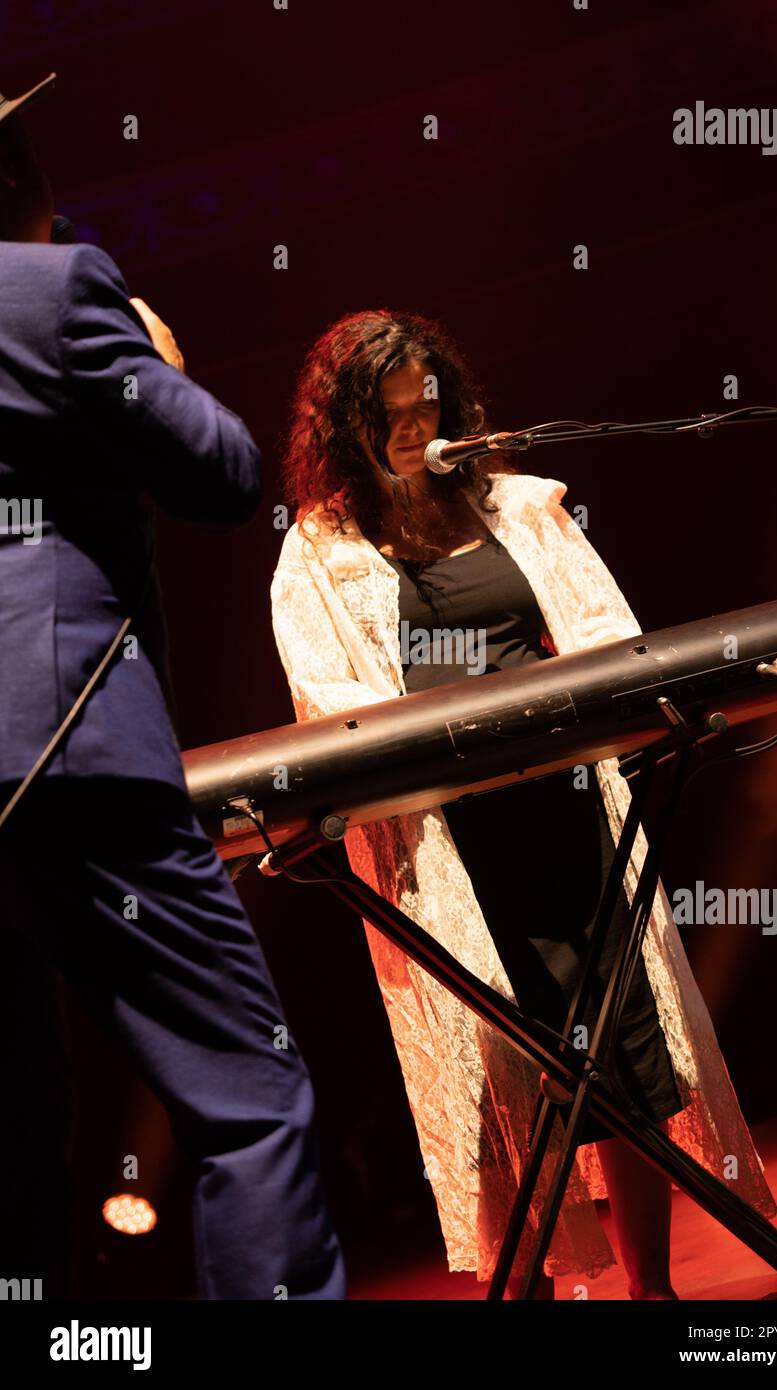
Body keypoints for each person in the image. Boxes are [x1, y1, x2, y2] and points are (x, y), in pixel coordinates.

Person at [271, 308, 777, 1298]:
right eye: (391, 414)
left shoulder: (518, 507)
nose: (417, 429)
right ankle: (536, 1287)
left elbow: (609, 632)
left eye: (429, 405)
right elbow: (325, 697)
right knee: (510, 1080)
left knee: (629, 1070)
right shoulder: (321, 552)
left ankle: (654, 1290)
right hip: (458, 845)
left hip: (573, 809)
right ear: (345, 425)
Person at [0, 74, 345, 1300]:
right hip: (61, 753)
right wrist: (155, 361)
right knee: (247, 1100)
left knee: (18, 1145)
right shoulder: (51, 290)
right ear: (23, 185)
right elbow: (225, 475)